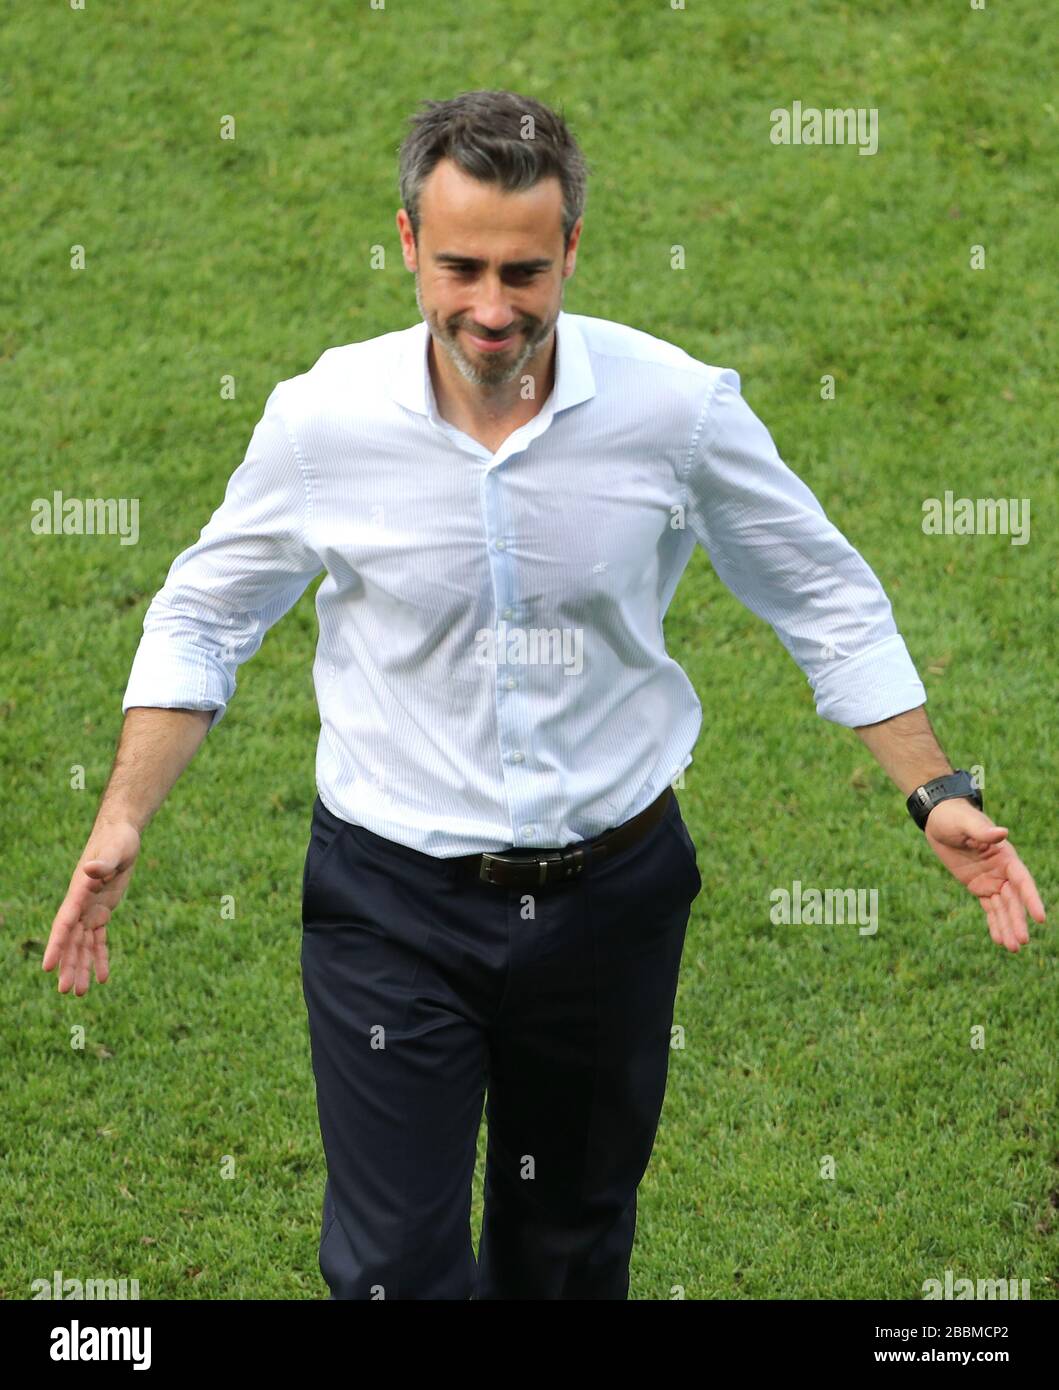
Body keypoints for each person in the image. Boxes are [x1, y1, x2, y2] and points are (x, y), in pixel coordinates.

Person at [44, 89, 1046, 1300]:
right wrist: (124, 814)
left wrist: (932, 786)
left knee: (568, 1255)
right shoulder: (322, 423)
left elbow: (821, 594)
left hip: (610, 901)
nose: (491, 308)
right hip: (389, 901)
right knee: (390, 1271)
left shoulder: (675, 409)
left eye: (526, 271)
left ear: (573, 246)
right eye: (460, 266)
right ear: (407, 242)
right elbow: (208, 611)